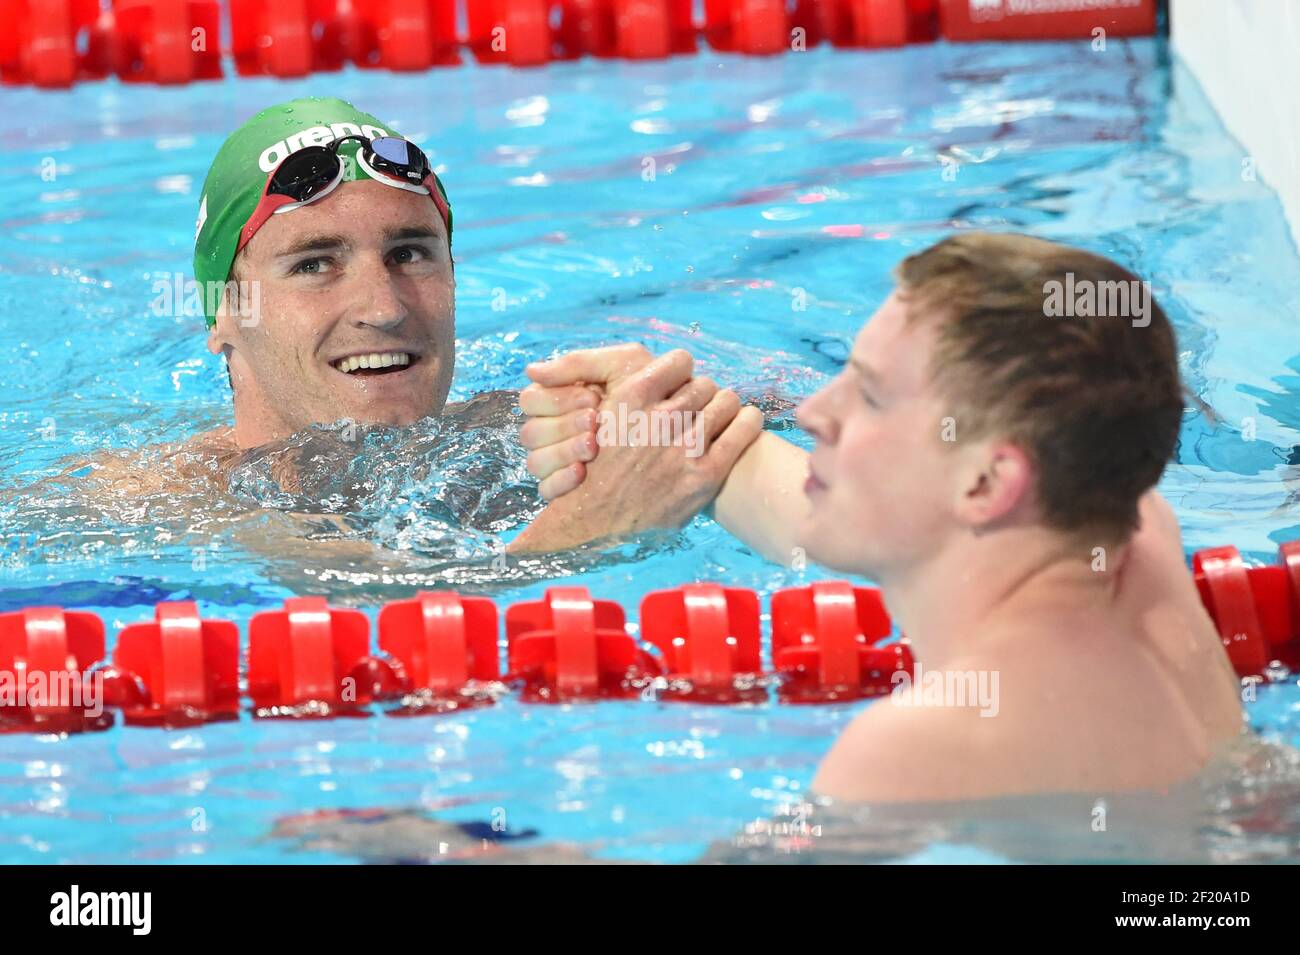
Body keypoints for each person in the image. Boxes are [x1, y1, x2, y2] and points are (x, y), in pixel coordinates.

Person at [515, 232, 1246, 801]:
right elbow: (842, 508)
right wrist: (647, 424)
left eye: (867, 395)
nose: (811, 411)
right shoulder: (1132, 528)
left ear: (989, 481)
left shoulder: (923, 746)